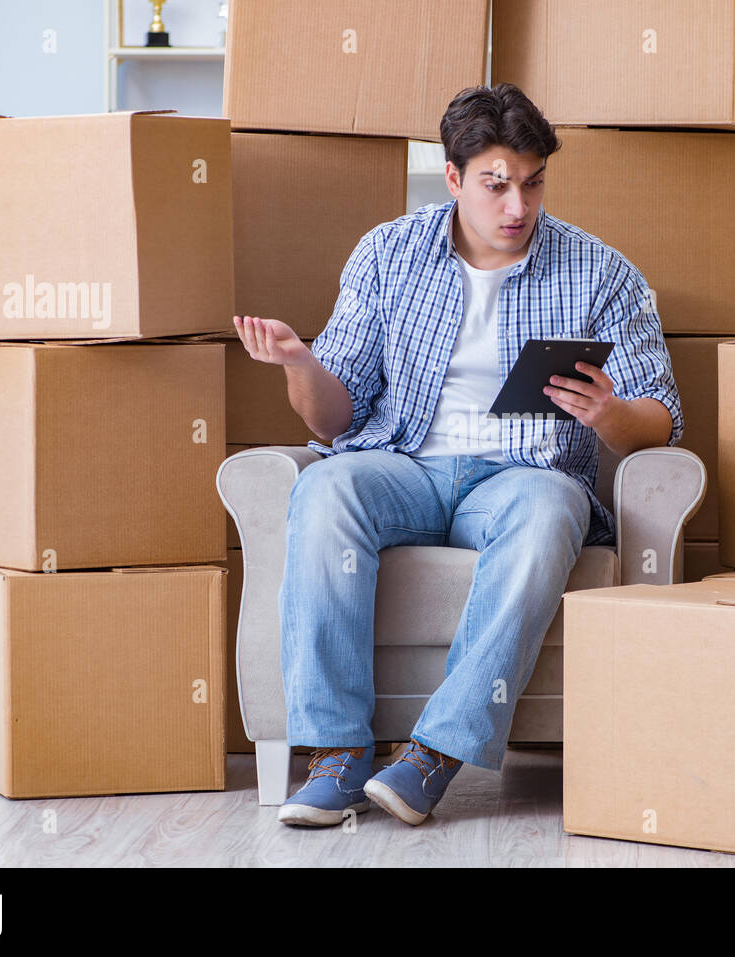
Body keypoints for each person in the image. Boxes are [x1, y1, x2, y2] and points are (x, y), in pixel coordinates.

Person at [231, 82, 683, 828]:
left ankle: (433, 754)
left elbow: (660, 421)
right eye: (496, 185)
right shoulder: (389, 253)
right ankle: (338, 755)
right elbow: (334, 418)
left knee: (550, 508)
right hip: (402, 464)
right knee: (324, 489)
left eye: (533, 183)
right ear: (453, 177)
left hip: (521, 477)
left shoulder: (600, 271)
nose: (517, 207)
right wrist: (299, 365)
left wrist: (608, 413)